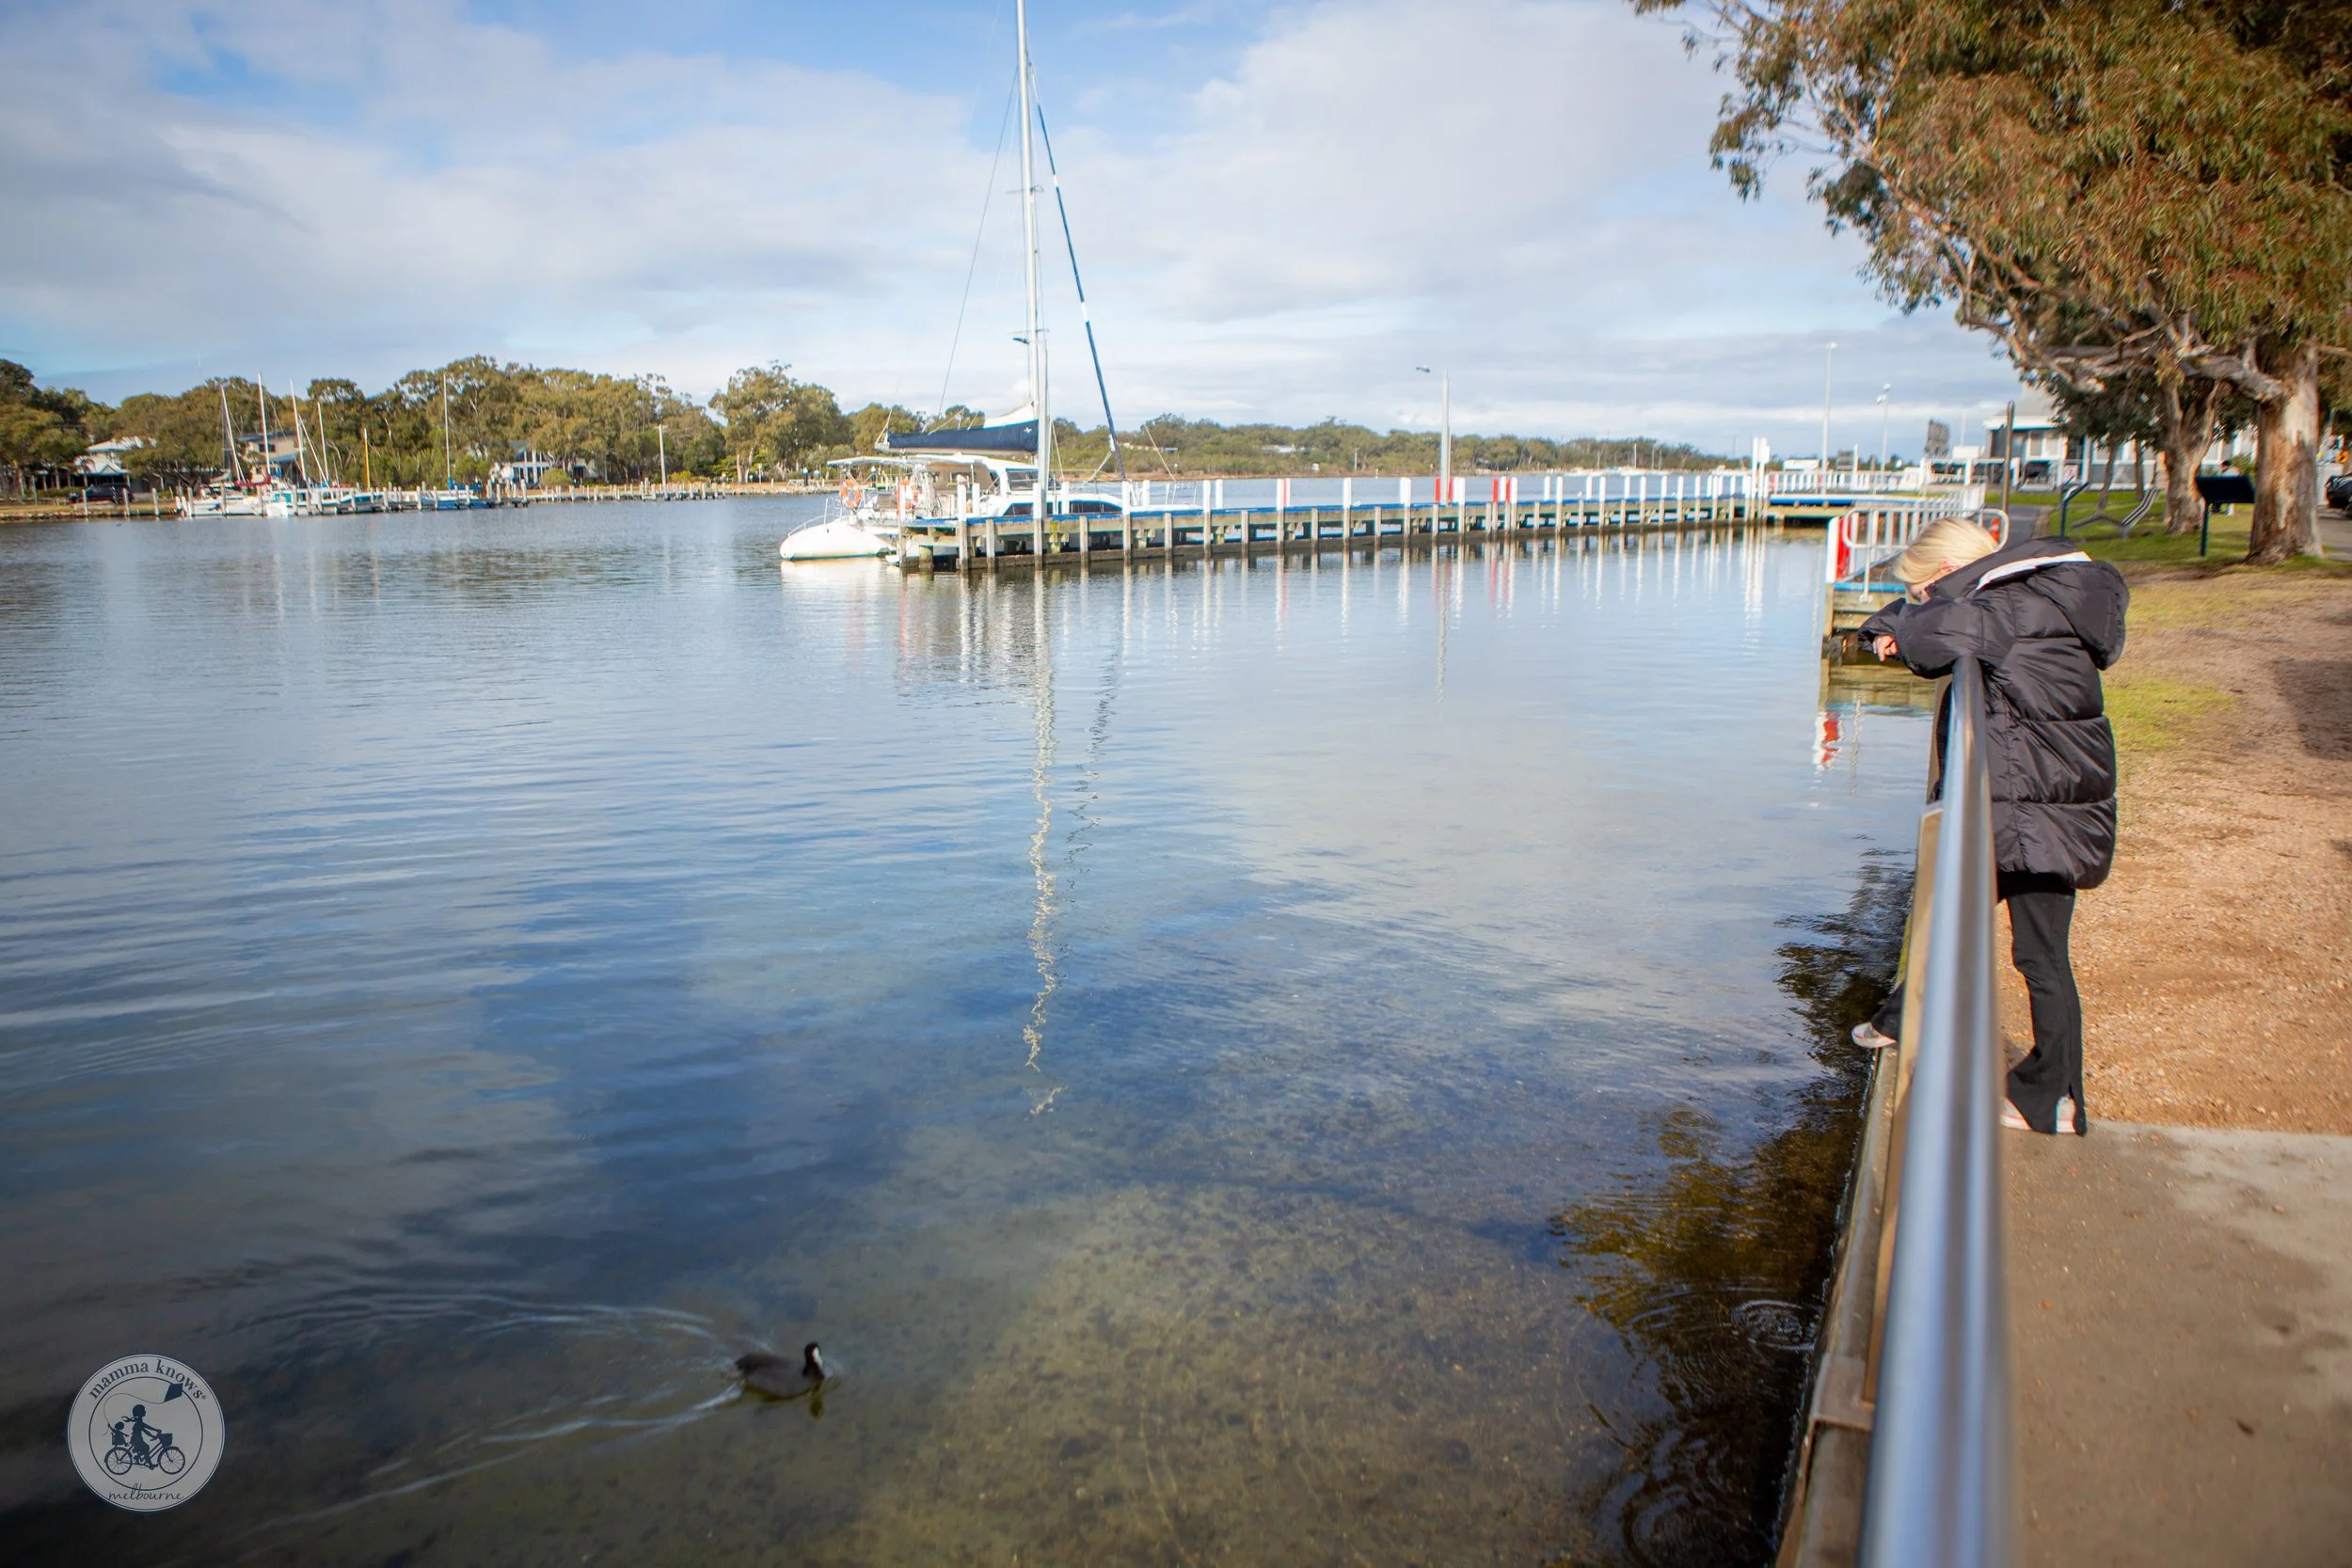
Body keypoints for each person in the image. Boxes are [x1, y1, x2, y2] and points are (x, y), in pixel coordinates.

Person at [1848, 516, 2129, 1135]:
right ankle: (1904, 1017)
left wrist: (1895, 626)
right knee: (1950, 916)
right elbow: (1930, 623)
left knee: (2039, 953)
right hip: (2047, 794)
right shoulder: (2031, 594)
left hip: (2037, 807)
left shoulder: (2000, 609)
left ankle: (2055, 1095)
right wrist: (1893, 620)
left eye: (1922, 587)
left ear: (1948, 574)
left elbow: (1926, 643)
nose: (1919, 598)